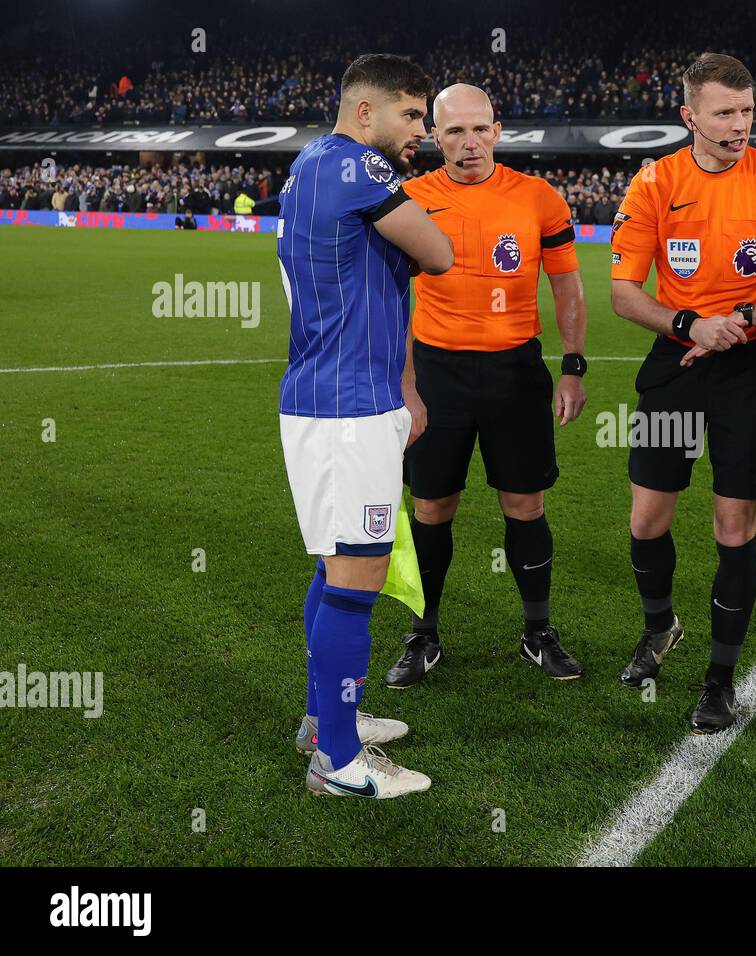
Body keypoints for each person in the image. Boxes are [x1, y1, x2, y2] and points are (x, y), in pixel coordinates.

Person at [609, 53, 756, 733]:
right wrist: (689, 324)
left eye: (746, 112)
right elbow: (624, 294)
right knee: (647, 518)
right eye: (724, 113)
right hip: (674, 365)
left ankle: (720, 678)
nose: (741, 125)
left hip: (747, 373)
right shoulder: (654, 182)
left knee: (733, 526)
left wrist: (745, 319)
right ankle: (660, 628)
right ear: (689, 117)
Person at [278, 54, 454, 798]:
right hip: (345, 409)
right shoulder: (355, 168)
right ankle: (340, 763)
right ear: (363, 112)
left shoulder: (313, 164)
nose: (424, 131)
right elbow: (440, 252)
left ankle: (325, 722)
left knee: (336, 566)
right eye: (411, 115)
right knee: (356, 577)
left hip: (340, 398)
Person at [386, 84, 589, 687]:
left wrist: (573, 366)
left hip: (514, 373)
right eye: (453, 131)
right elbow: (390, 296)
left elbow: (567, 287)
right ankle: (422, 634)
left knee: (525, 504)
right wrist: (406, 385)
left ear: (497, 131)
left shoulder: (537, 198)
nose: (467, 143)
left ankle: (538, 631)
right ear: (435, 137)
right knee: (430, 507)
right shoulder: (409, 199)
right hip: (437, 373)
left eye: (478, 130)